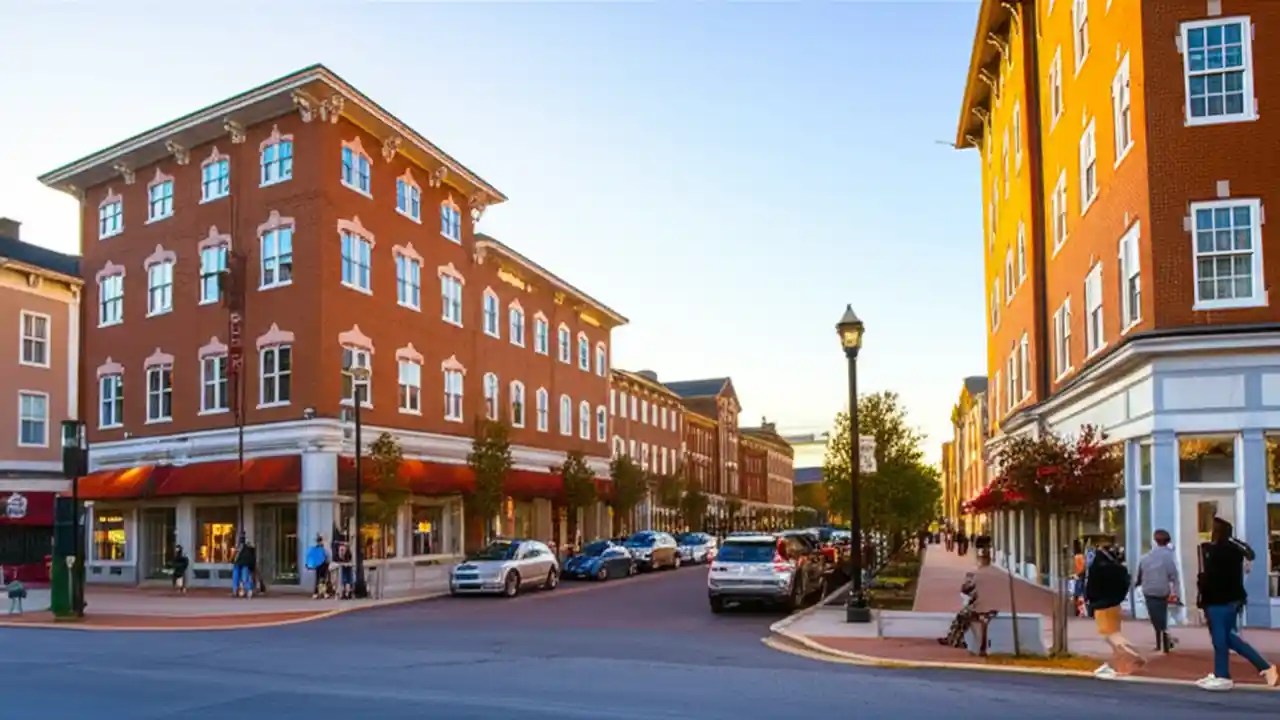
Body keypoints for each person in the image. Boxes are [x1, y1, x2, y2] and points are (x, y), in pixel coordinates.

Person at [1195, 518, 1278, 691]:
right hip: (1233, 599)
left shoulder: (1211, 551)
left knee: (1220, 639)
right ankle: (1264, 667)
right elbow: (1250, 553)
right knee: (1229, 639)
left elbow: (1206, 579)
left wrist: (1201, 600)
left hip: (1217, 600)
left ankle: (1223, 676)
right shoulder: (1234, 550)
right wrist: (1234, 540)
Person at [1087, 539, 1145, 678]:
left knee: (1110, 635)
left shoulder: (1096, 568)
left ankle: (1133, 654)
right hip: (1115, 604)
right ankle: (1120, 666)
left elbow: (1091, 586)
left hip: (1101, 604)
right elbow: (1126, 584)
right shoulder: (1119, 568)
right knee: (1115, 632)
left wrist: (1091, 600)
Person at [1135, 529, 1180, 653]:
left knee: (1154, 616)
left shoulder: (1145, 558)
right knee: (1162, 615)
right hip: (1162, 590)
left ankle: (1160, 641)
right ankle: (1164, 639)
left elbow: (1139, 576)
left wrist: (1136, 584)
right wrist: (1176, 593)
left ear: (1155, 541)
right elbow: (1174, 576)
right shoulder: (1169, 557)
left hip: (1149, 590)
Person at [305, 535, 331, 599]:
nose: (319, 542)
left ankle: (320, 593)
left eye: (320, 541)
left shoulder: (318, 548)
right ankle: (318, 593)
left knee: (321, 579)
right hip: (322, 565)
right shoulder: (323, 548)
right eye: (319, 541)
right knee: (320, 579)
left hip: (322, 565)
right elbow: (327, 556)